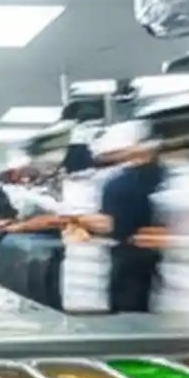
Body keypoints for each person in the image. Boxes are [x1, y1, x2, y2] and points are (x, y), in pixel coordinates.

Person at [78, 121, 165, 312]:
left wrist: (79, 221)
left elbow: (111, 225)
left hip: (129, 261)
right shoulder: (167, 176)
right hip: (161, 263)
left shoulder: (118, 183)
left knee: (129, 315)